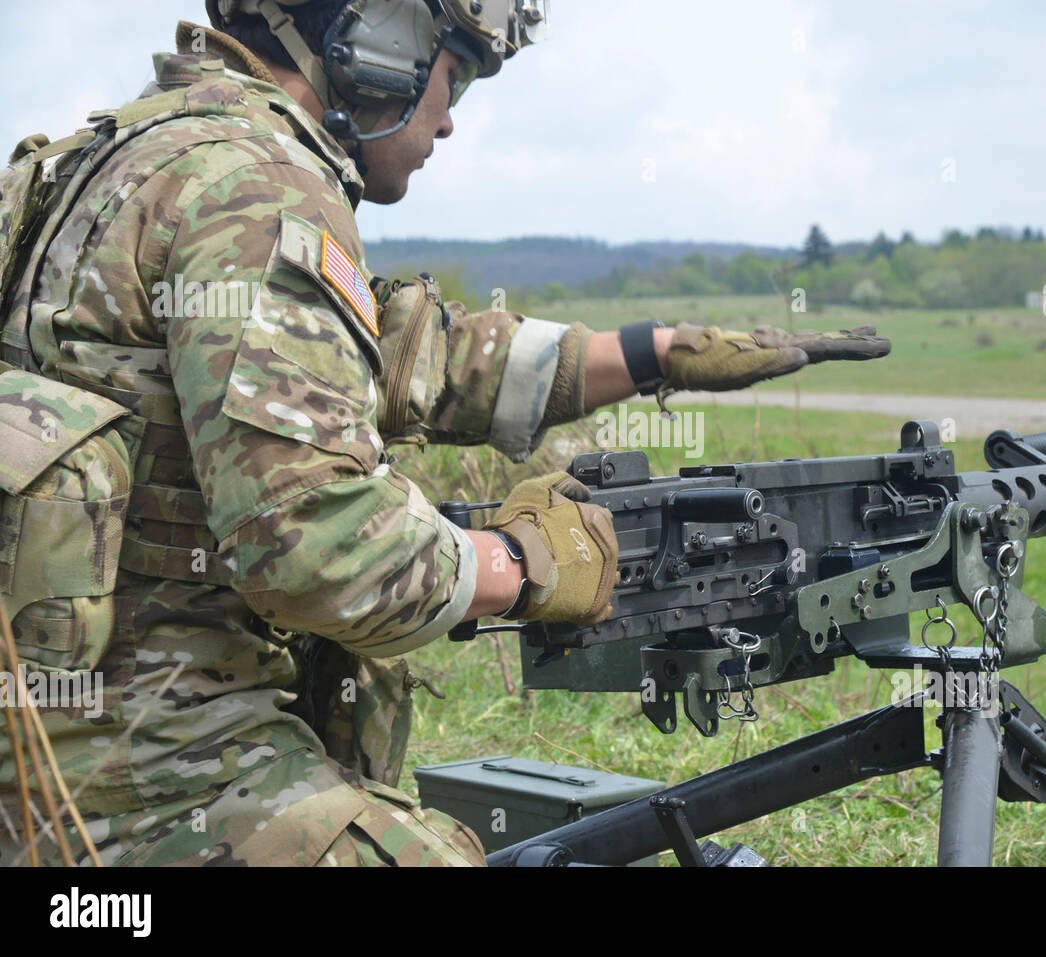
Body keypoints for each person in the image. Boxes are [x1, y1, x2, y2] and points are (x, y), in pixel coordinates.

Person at [0, 0, 889, 866]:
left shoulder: (125, 158)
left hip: (39, 744)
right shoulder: (263, 190)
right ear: (376, 37)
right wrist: (525, 559)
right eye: (454, 75)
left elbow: (404, 359)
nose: (450, 122)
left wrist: (657, 354)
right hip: (148, 776)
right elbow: (318, 549)